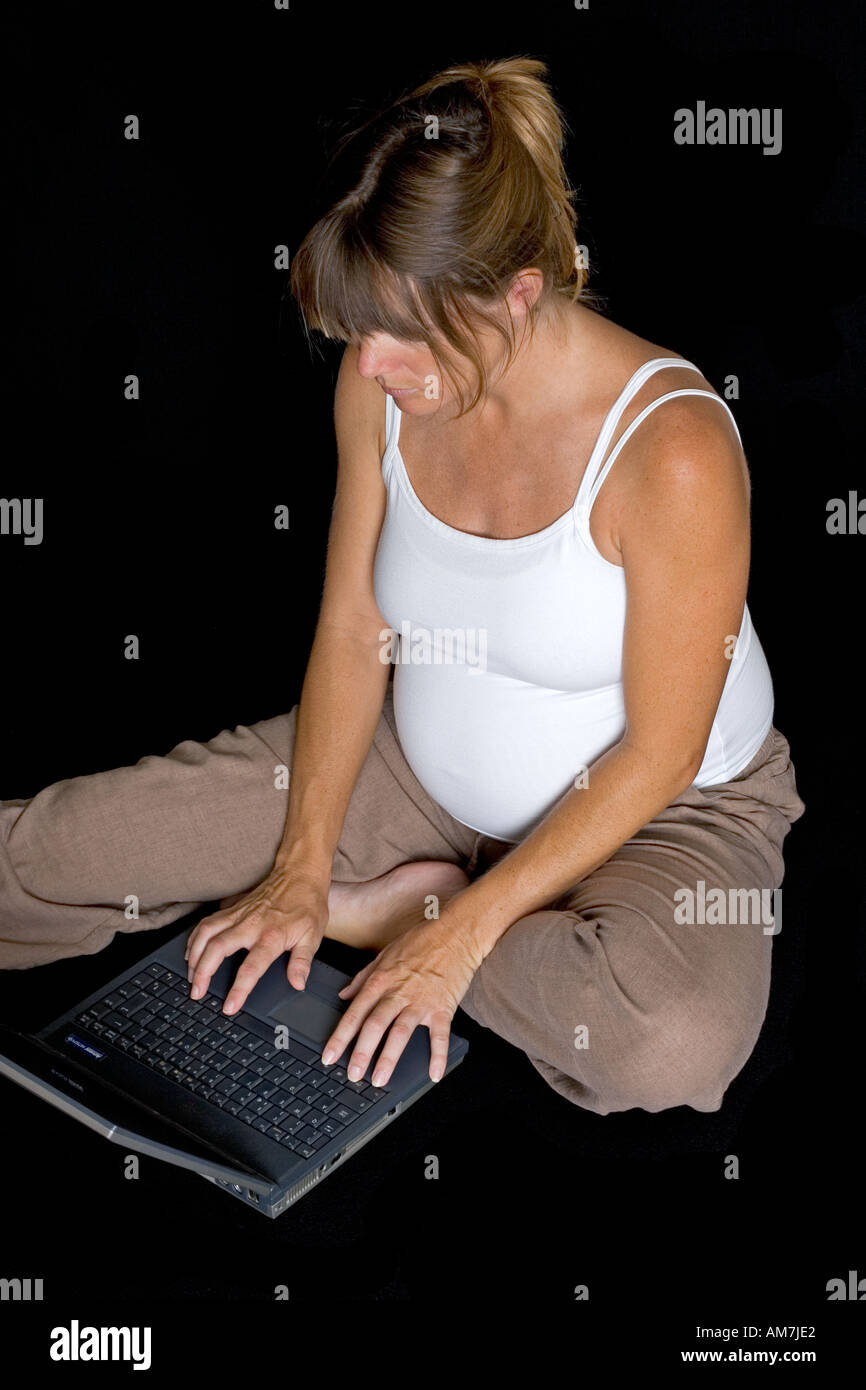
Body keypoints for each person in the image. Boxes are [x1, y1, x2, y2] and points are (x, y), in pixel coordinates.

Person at [0, 56, 805, 1116]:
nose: (368, 362)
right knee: (56, 850)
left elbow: (657, 752)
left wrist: (446, 934)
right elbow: (350, 628)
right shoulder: (379, 382)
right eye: (354, 329)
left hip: (662, 812)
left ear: (516, 295)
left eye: (399, 333)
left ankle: (393, 911)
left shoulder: (672, 449)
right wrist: (296, 864)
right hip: (413, 762)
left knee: (663, 1043)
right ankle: (379, 892)